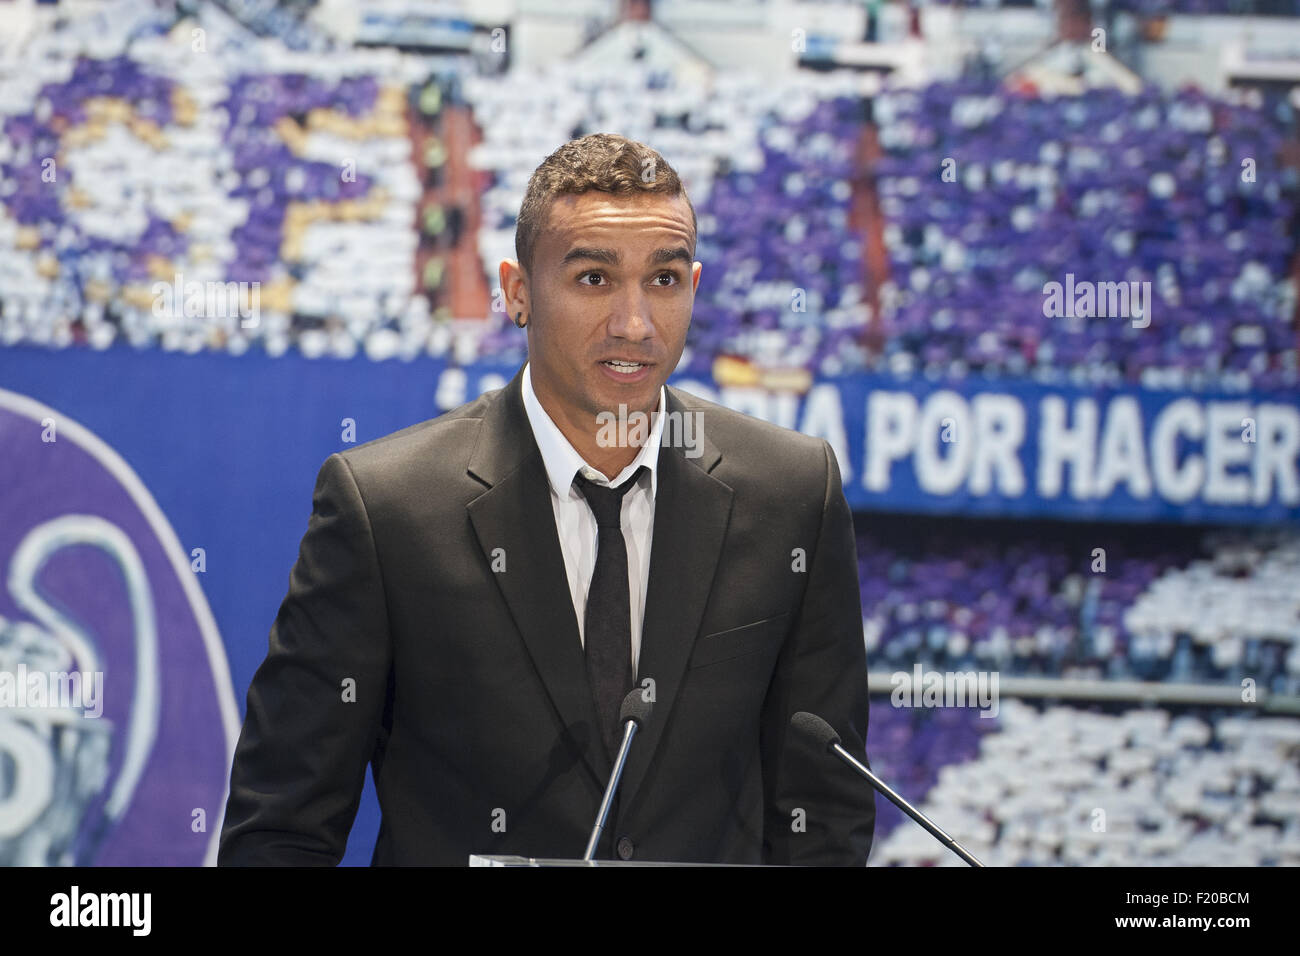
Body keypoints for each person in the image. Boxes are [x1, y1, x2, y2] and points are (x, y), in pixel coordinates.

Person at [218, 133, 874, 865]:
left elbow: (823, 813)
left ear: (694, 284)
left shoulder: (791, 491)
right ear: (517, 291)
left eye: (663, 280)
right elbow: (280, 829)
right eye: (594, 279)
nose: (635, 324)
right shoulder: (386, 509)